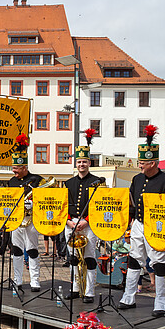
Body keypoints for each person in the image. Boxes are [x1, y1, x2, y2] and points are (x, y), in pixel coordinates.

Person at [119, 125, 165, 317]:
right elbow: (133, 201)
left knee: (159, 263)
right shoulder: (137, 179)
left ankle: (160, 302)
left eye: (143, 162)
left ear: (153, 163)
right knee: (134, 259)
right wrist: (132, 221)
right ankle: (129, 296)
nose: (140, 165)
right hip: (139, 224)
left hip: (157, 226)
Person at [63, 130, 100, 304]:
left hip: (88, 225)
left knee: (89, 258)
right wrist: (69, 222)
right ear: (75, 163)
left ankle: (90, 291)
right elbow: (64, 205)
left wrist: (87, 221)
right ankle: (75, 288)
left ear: (89, 162)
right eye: (79, 162)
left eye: (84, 161)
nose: (81, 164)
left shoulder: (96, 181)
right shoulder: (69, 183)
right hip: (71, 224)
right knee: (73, 258)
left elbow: (98, 206)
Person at [8, 134, 43, 292]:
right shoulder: (12, 181)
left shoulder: (36, 179)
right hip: (16, 220)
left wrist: (33, 203)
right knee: (16, 249)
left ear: (25, 168)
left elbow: (45, 199)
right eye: (13, 170)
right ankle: (18, 279)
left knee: (32, 249)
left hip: (31, 220)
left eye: (17, 170)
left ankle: (35, 280)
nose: (15, 173)